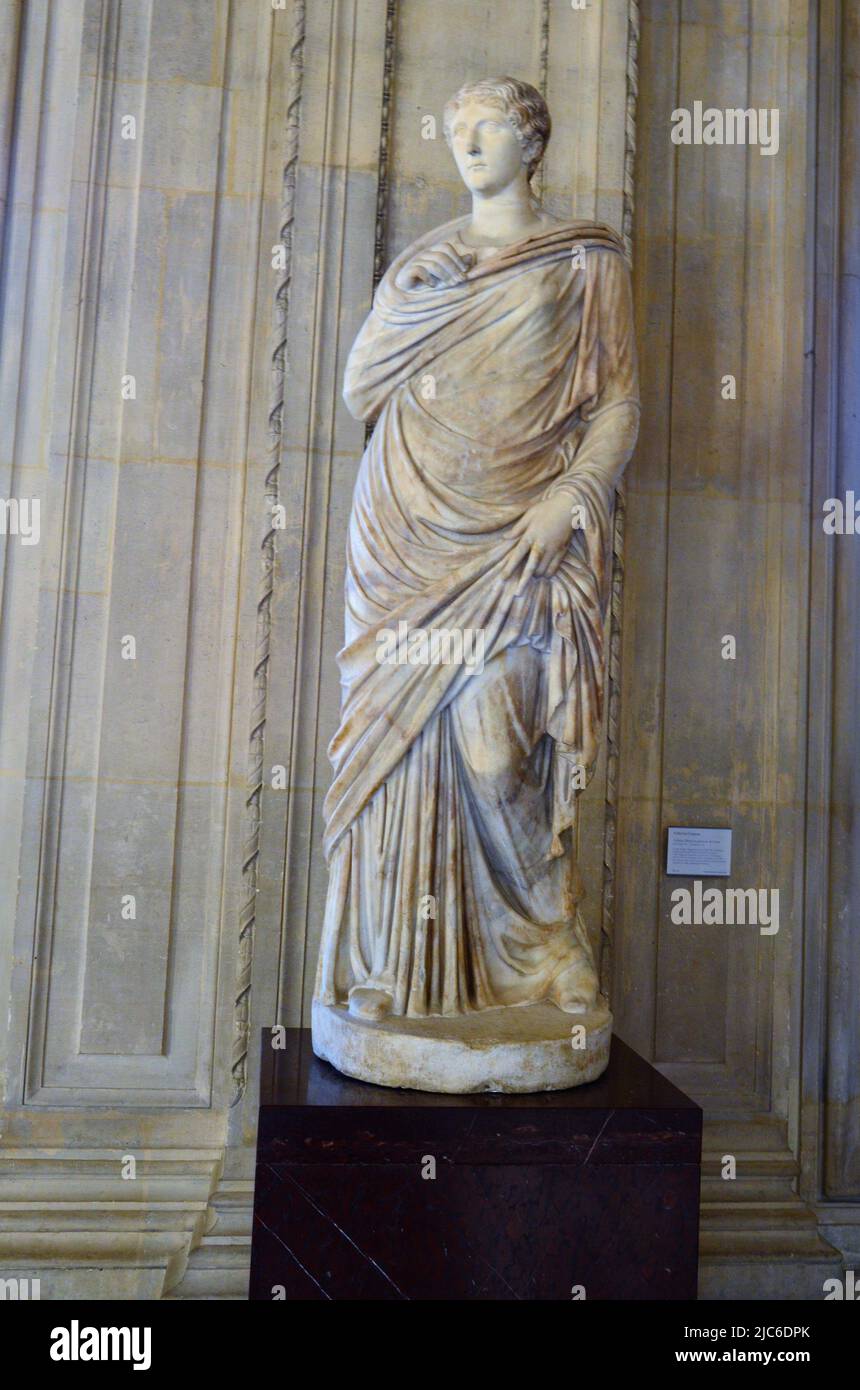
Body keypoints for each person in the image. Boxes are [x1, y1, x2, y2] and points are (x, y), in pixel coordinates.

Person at [315, 76, 639, 1024]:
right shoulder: (424, 266)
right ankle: (387, 973)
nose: (469, 142)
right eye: (458, 128)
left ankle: (549, 949)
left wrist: (573, 495)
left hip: (519, 536)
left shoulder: (585, 261)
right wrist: (409, 311)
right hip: (407, 530)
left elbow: (617, 403)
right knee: (400, 748)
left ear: (533, 142)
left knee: (497, 748)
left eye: (489, 127)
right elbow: (358, 390)